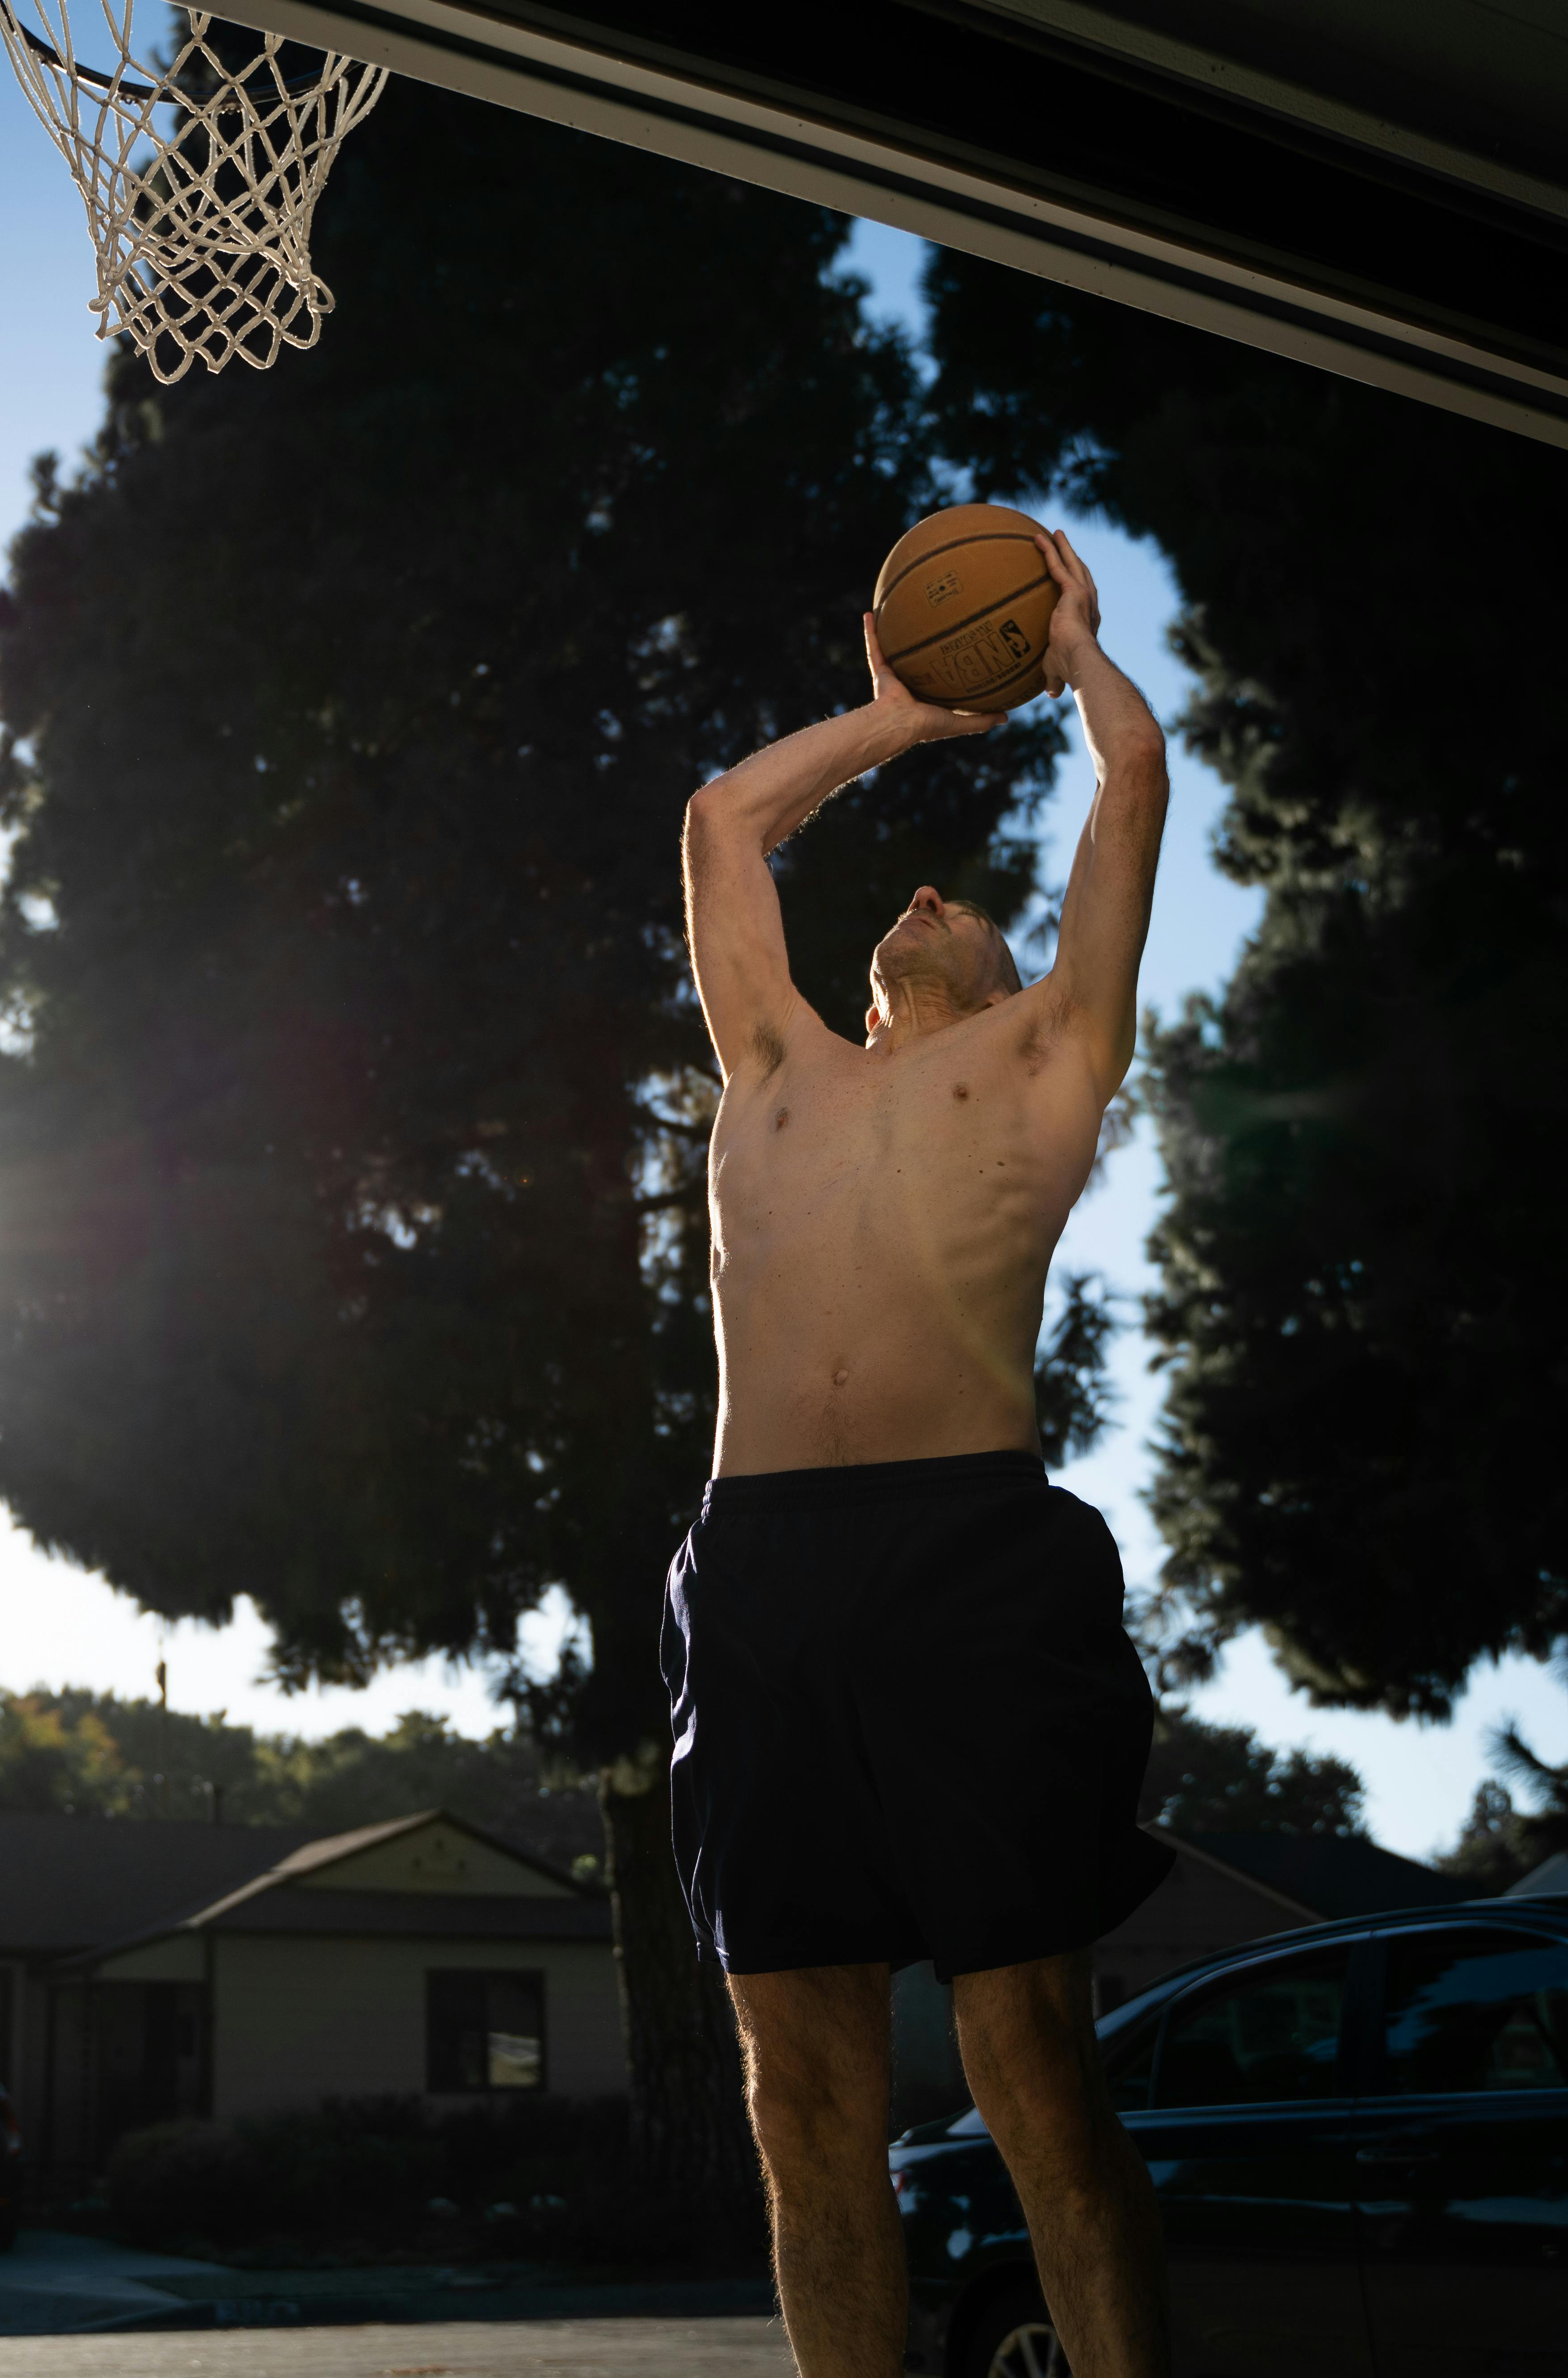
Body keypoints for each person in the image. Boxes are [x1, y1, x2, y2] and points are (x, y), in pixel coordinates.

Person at [667, 527, 1174, 2378]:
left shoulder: (1052, 1057)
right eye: (912, 897)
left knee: (1029, 2055)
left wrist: (1068, 649)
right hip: (765, 1575)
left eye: (967, 895)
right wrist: (897, 715)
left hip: (971, 1557)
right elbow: (725, 822)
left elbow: (1130, 786)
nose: (935, 890)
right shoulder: (777, 1072)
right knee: (802, 2082)